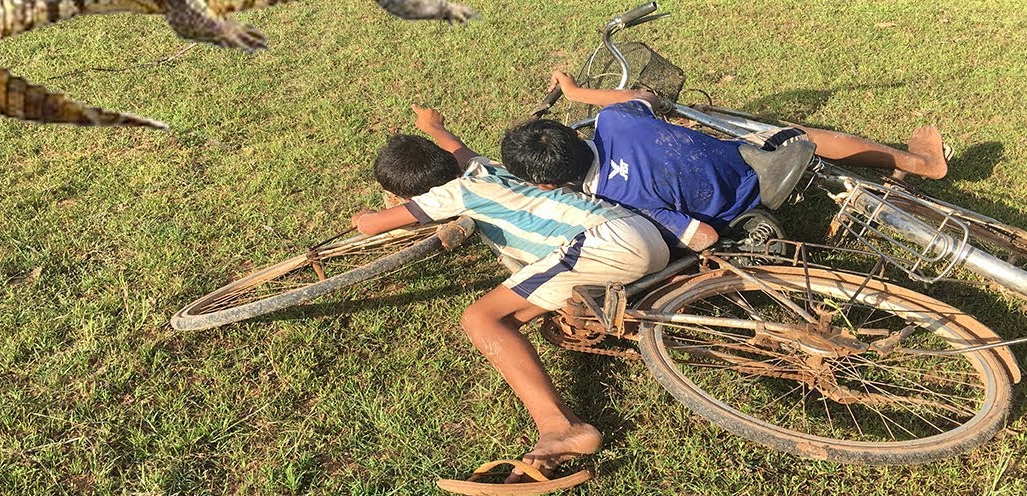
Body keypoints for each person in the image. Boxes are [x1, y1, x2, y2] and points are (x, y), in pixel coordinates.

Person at [351, 105, 670, 485]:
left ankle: (559, 426)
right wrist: (434, 125)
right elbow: (456, 147)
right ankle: (556, 433)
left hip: (601, 243)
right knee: (507, 319)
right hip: (637, 230)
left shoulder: (449, 194)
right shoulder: (484, 168)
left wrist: (366, 217)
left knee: (482, 319)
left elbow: (373, 226)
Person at [501, 70, 951, 252]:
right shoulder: (615, 121)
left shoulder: (612, 202)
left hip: (740, 215)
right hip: (757, 166)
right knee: (808, 136)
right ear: (570, 131)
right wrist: (579, 93)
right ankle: (921, 163)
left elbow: (701, 235)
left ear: (546, 185)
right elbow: (645, 96)